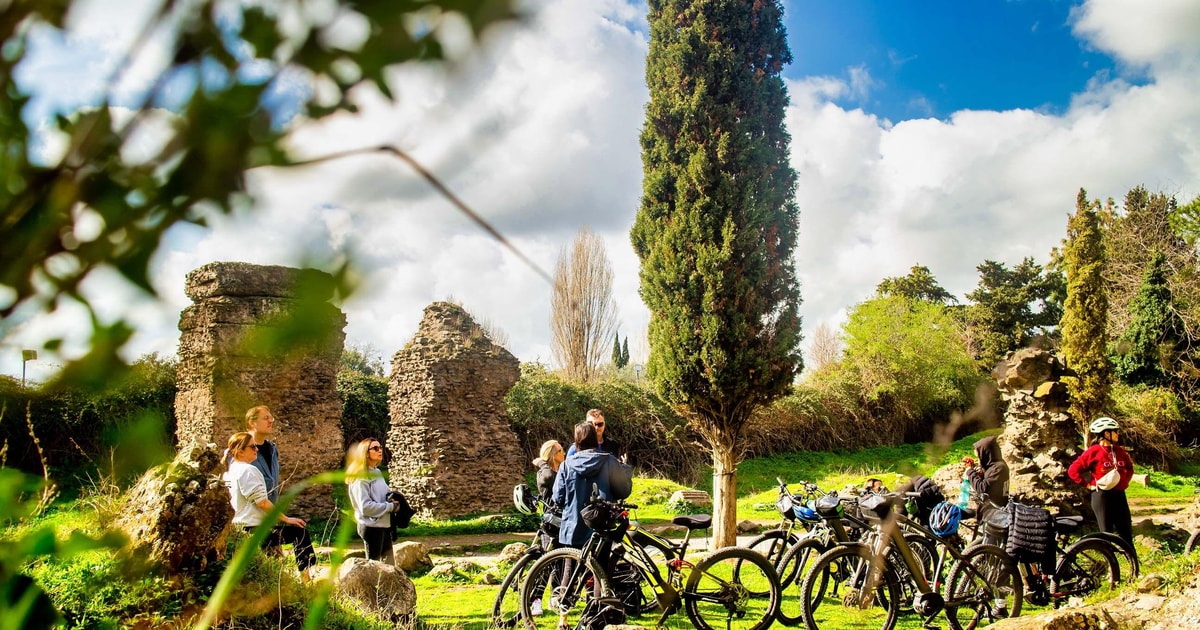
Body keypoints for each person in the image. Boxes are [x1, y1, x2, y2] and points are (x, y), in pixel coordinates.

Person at [551, 422, 633, 625]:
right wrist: (625, 470)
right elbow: (623, 491)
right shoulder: (608, 461)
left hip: (573, 526)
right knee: (600, 574)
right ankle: (596, 620)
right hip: (601, 526)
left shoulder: (567, 465)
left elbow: (558, 497)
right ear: (594, 441)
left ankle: (564, 619)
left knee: (569, 574)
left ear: (576, 441)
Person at [224, 432, 316, 582]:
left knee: (272, 561)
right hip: (254, 528)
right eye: (252, 447)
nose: (257, 449)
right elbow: (262, 502)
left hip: (239, 528)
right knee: (300, 533)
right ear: (240, 451)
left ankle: (280, 581)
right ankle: (306, 580)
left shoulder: (231, 471)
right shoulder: (247, 470)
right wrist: (286, 519)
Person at [1069, 416, 1135, 549]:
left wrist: (1123, 481)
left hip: (1119, 495)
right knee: (1106, 532)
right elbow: (1073, 470)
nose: (1117, 434)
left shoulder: (1120, 451)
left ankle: (1133, 562)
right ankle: (1110, 563)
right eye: (1115, 431)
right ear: (1106, 433)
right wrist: (1088, 484)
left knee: (1126, 530)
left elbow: (1130, 468)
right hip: (1102, 496)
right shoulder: (1093, 452)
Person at [346, 437, 402, 564]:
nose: (380, 450)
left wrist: (395, 501)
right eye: (375, 448)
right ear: (365, 453)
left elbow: (384, 495)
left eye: (380, 447)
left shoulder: (376, 472)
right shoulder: (360, 476)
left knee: (389, 569)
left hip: (383, 525)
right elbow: (365, 507)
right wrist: (390, 507)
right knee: (373, 570)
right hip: (371, 527)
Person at [965, 435, 1009, 526]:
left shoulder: (998, 468)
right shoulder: (996, 465)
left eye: (979, 457)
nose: (979, 460)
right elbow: (990, 484)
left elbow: (982, 488)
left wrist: (969, 471)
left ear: (986, 454)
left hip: (995, 512)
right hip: (992, 510)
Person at [245, 406, 281, 503]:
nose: (271, 421)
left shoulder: (272, 449)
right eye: (265, 418)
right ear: (252, 423)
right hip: (250, 514)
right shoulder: (241, 450)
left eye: (271, 418)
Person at [533, 440, 566, 507]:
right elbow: (549, 476)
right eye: (561, 450)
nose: (564, 453)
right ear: (553, 454)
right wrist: (541, 463)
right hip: (552, 514)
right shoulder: (543, 473)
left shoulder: (561, 471)